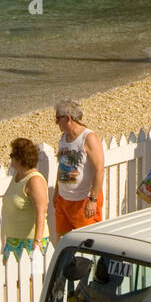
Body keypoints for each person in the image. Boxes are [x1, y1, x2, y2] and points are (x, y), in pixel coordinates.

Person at [53, 99, 104, 236]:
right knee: (63, 241)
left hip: (83, 201)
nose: (56, 122)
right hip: (64, 199)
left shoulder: (88, 138)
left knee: (86, 241)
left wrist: (93, 200)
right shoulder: (64, 137)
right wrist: (56, 192)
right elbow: (61, 166)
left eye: (58, 118)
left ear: (68, 118)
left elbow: (99, 169)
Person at [1, 138, 49, 260]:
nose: (10, 158)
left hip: (29, 241)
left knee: (31, 278)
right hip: (13, 240)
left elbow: (41, 212)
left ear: (20, 158)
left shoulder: (34, 180)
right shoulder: (17, 176)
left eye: (12, 155)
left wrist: (37, 241)